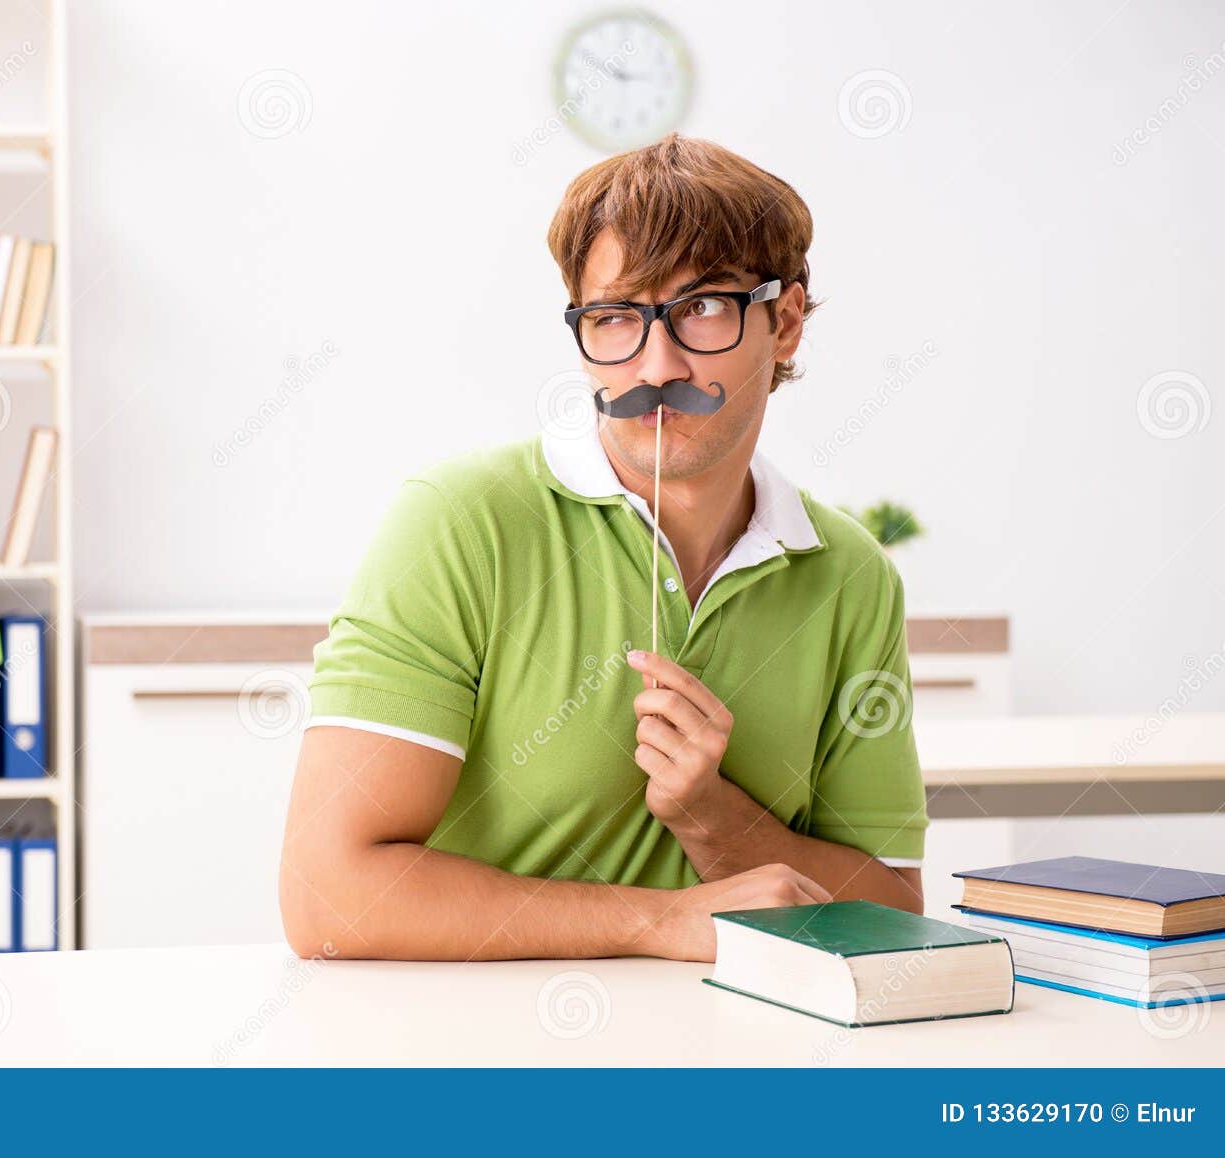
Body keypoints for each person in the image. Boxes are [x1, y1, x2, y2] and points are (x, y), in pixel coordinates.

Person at [280, 134, 926, 962]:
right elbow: (327, 896)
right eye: (617, 317)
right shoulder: (459, 522)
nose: (657, 364)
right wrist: (659, 922)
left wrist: (712, 818)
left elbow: (894, 915)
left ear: (787, 321)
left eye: (701, 309)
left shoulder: (850, 575)